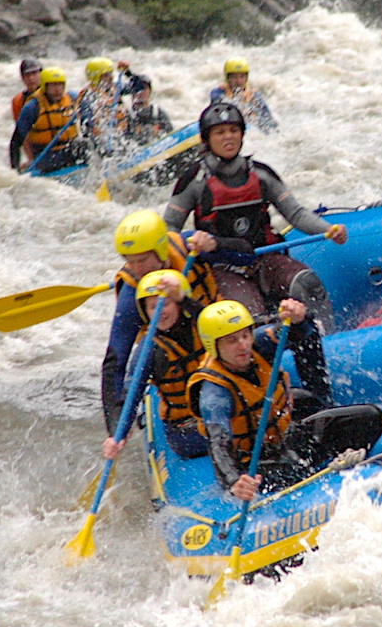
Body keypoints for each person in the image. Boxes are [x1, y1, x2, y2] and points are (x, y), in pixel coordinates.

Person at [164, 102, 345, 331]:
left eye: (234, 131)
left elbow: (296, 213)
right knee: (249, 318)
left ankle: (326, 340)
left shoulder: (261, 174)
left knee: (307, 283)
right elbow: (170, 227)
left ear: (242, 134)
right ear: (206, 139)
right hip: (223, 266)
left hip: (266, 257)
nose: (228, 137)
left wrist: (328, 229)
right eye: (220, 132)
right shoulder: (193, 180)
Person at [189, 299, 382, 500]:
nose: (243, 345)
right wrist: (234, 481)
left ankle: (336, 463)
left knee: (371, 416)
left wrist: (299, 319)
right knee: (295, 467)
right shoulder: (214, 393)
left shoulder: (257, 345)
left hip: (284, 439)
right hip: (253, 463)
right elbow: (218, 443)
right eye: (232, 340)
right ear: (213, 346)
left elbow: (299, 333)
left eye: (245, 335)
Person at [100, 210, 220, 436]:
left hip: (217, 333)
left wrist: (214, 243)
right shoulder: (132, 292)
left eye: (142, 260)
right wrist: (117, 430)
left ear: (161, 249)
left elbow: (247, 255)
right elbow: (115, 361)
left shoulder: (190, 248)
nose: (136, 269)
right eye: (129, 261)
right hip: (176, 361)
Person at [101, 270, 209, 460]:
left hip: (219, 415)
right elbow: (131, 394)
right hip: (186, 431)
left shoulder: (203, 324)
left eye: (165, 303)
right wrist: (118, 433)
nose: (160, 312)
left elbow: (209, 316)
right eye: (152, 307)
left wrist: (184, 298)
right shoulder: (149, 350)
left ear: (179, 304)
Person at [9, 66, 84, 173]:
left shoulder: (72, 98)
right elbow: (15, 142)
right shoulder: (33, 107)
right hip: (46, 155)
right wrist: (15, 170)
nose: (57, 89)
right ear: (45, 86)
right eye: (53, 85)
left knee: (87, 145)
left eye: (60, 85)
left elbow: (88, 120)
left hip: (68, 149)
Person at [209, 57, 278, 132]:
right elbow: (217, 112)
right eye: (234, 77)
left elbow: (268, 120)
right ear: (228, 78)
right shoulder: (218, 93)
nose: (238, 81)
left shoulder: (255, 96)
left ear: (246, 78)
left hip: (251, 129)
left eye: (242, 77)